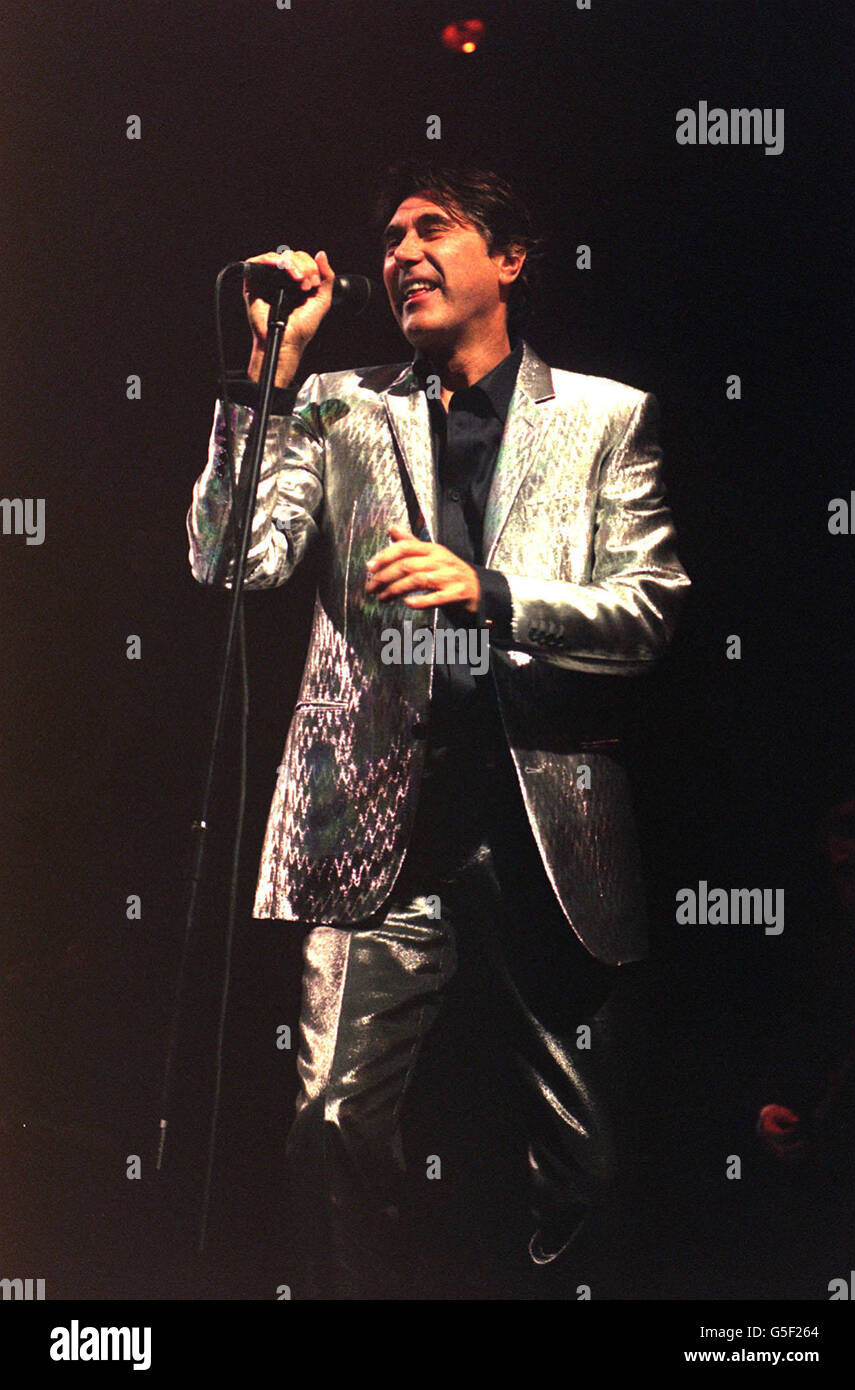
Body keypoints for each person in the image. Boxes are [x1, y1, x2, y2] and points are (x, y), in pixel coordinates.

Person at [187, 161, 691, 1298]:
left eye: (434, 228)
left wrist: (493, 593)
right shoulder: (339, 404)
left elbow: (650, 609)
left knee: (590, 1163)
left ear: (507, 258)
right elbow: (232, 560)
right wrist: (267, 380)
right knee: (324, 1120)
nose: (401, 250)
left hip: (537, 826)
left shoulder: (606, 418)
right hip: (371, 816)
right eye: (391, 237)